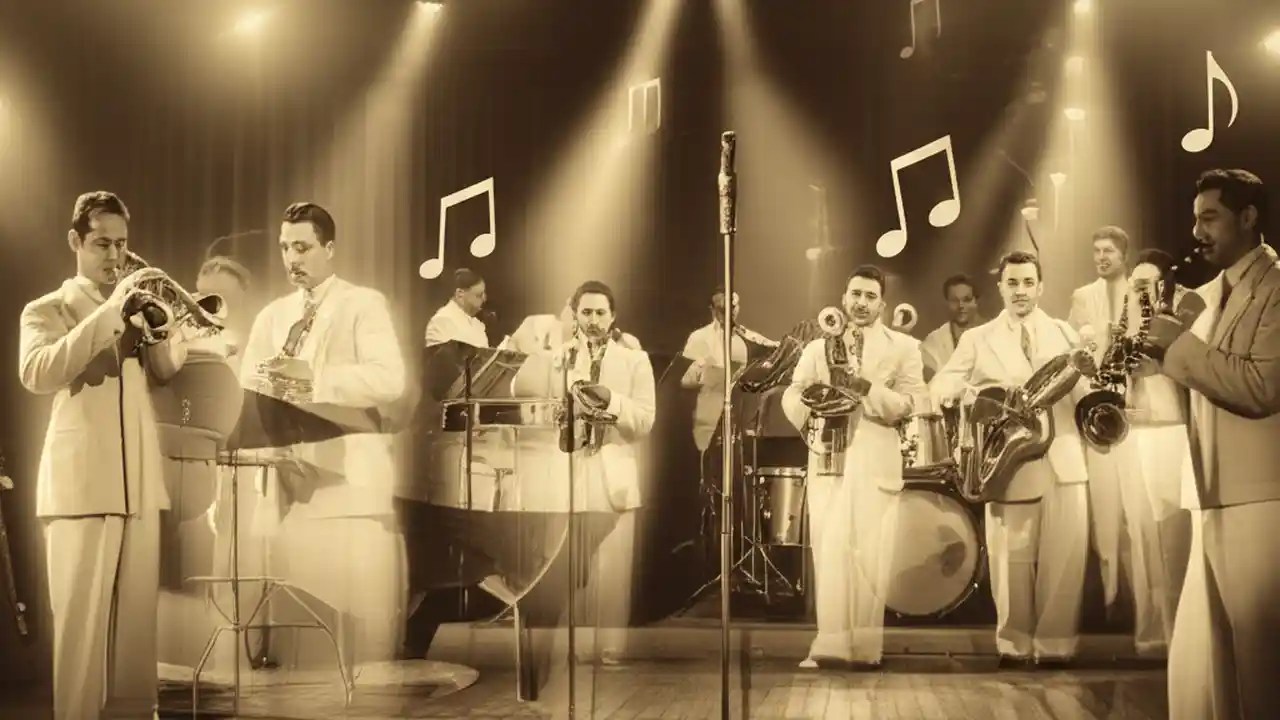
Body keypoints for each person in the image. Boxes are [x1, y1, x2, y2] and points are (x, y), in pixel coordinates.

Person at [18, 191, 183, 719]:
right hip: (81, 488)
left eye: (122, 244)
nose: (115, 256)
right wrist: (109, 314)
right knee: (80, 641)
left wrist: (160, 328)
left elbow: (167, 371)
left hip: (139, 486)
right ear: (75, 241)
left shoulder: (136, 314)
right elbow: (36, 373)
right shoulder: (47, 308)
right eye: (102, 244)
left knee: (136, 648)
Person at [240, 201, 407, 669]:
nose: (292, 258)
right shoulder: (272, 315)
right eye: (284, 248)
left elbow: (389, 379)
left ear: (329, 249)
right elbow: (248, 381)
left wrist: (311, 380)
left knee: (345, 621)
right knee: (295, 617)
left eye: (302, 247)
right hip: (286, 477)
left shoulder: (362, 304)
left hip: (345, 478)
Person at [1156, 169, 1280, 719]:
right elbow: (1207, 380)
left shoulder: (1276, 286)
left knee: (1261, 663)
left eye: (1210, 218)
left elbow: (1261, 388)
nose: (1197, 232)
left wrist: (1177, 347)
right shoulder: (1213, 292)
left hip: (1262, 494)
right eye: (1195, 219)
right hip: (1214, 489)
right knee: (1217, 667)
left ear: (1248, 217)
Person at [930, 250, 1091, 667]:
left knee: (1066, 559)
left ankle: (1057, 646)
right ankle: (1014, 645)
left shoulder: (1065, 334)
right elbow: (942, 385)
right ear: (1000, 287)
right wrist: (977, 397)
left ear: (1041, 287)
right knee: (1010, 559)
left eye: (1028, 282)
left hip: (1065, 459)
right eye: (1013, 283)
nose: (1021, 291)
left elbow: (1085, 395)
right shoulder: (977, 338)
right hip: (1008, 463)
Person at [781, 265, 926, 668]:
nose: (861, 303)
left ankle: (865, 649)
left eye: (870, 296)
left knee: (871, 556)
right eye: (856, 294)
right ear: (844, 298)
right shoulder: (818, 347)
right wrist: (812, 409)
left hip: (877, 459)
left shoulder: (904, 347)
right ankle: (829, 644)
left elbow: (912, 403)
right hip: (828, 455)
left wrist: (864, 386)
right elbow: (792, 393)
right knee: (829, 548)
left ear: (882, 304)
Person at [1103, 249, 1193, 655]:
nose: (1140, 292)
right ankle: (1152, 634)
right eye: (1135, 285)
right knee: (1139, 537)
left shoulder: (1180, 322)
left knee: (1174, 537)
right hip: (1133, 435)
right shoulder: (1123, 327)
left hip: (1171, 433)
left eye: (1148, 284)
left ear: (1164, 286)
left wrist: (1160, 364)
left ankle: (1181, 635)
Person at [1068, 225, 1134, 617]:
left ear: (1124, 254)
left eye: (1108, 250)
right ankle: (1111, 602)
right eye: (1096, 251)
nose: (1101, 258)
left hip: (1137, 412)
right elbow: (1076, 353)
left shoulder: (1140, 293)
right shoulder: (1082, 296)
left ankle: (1141, 602)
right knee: (1105, 513)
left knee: (1136, 516)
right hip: (1100, 414)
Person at [920, 273, 984, 381]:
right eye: (954, 300)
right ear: (947, 303)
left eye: (967, 300)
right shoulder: (933, 342)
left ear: (976, 302)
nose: (961, 306)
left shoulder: (995, 336)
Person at [425, 267, 489, 348]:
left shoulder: (477, 324)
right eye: (479, 295)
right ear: (460, 294)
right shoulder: (441, 321)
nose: (484, 299)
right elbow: (441, 355)